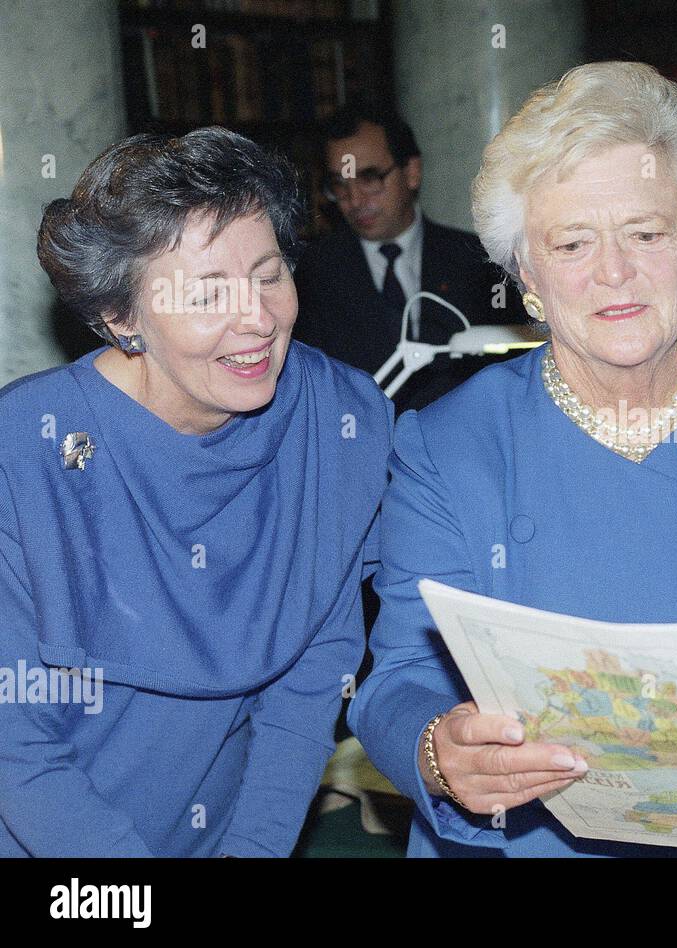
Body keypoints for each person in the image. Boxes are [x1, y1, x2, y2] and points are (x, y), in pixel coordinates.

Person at [347, 61, 677, 858]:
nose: (613, 272)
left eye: (645, 234)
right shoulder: (446, 446)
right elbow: (398, 681)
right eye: (572, 243)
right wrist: (437, 751)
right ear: (527, 273)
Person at [0, 128, 392, 856]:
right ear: (121, 318)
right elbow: (16, 749)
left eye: (269, 275)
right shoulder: (23, 453)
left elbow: (309, 685)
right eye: (207, 293)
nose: (257, 319)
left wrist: (253, 851)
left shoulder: (335, 422)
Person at [293, 105, 526, 412]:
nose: (355, 200)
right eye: (340, 184)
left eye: (370, 178)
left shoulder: (481, 263)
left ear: (412, 172)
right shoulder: (311, 274)